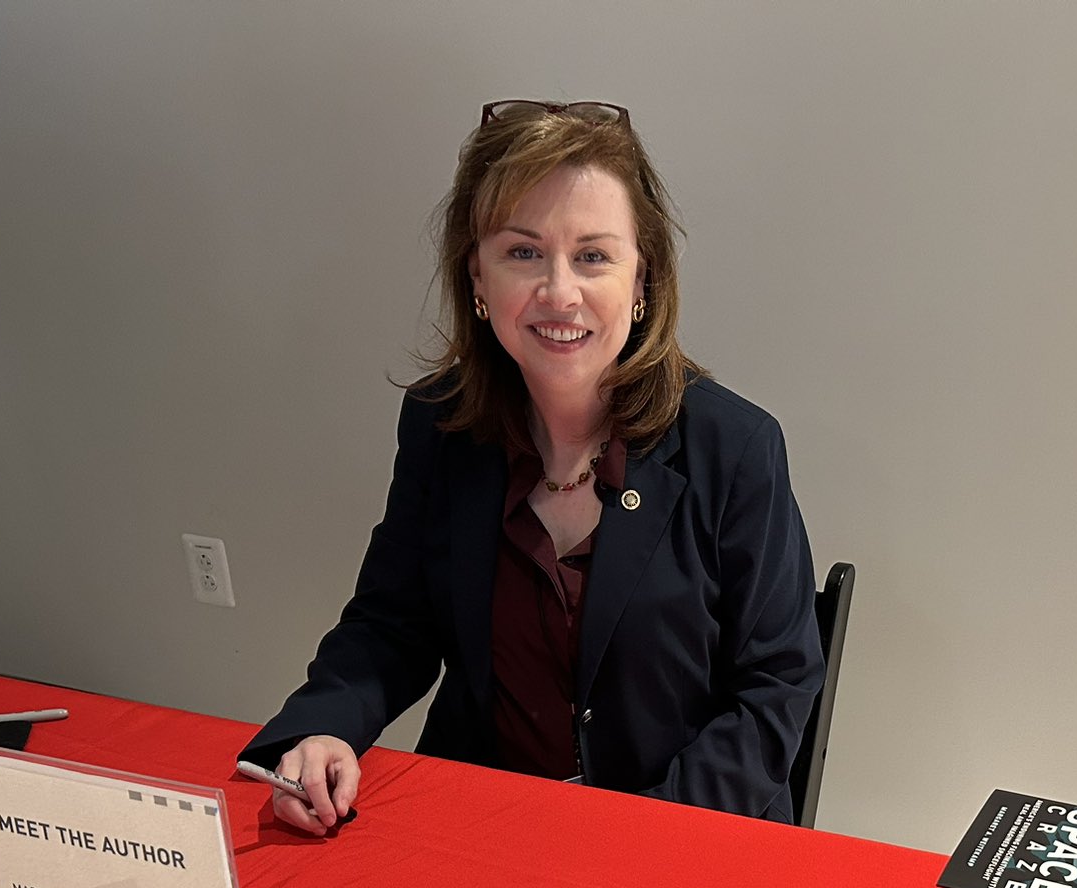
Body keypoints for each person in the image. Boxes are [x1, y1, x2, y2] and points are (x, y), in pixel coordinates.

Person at [240, 100, 825, 831]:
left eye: (593, 255)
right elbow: (392, 623)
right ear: (477, 281)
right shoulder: (440, 423)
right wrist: (321, 728)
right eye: (522, 252)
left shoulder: (735, 447)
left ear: (642, 281)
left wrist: (638, 838)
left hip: (680, 835)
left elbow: (775, 687)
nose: (558, 292)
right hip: (489, 824)